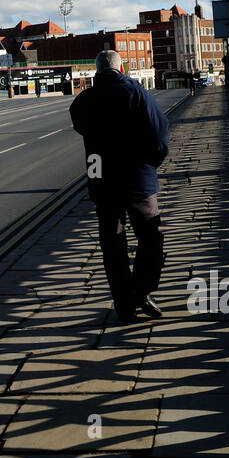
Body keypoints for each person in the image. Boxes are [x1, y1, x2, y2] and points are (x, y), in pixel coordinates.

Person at [70, 50, 171, 324]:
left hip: (101, 177)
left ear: (97, 70)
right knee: (150, 237)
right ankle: (141, 289)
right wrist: (151, 163)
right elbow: (160, 133)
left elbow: (79, 124)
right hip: (137, 177)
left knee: (112, 245)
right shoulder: (136, 93)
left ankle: (125, 305)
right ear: (121, 67)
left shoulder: (84, 100)